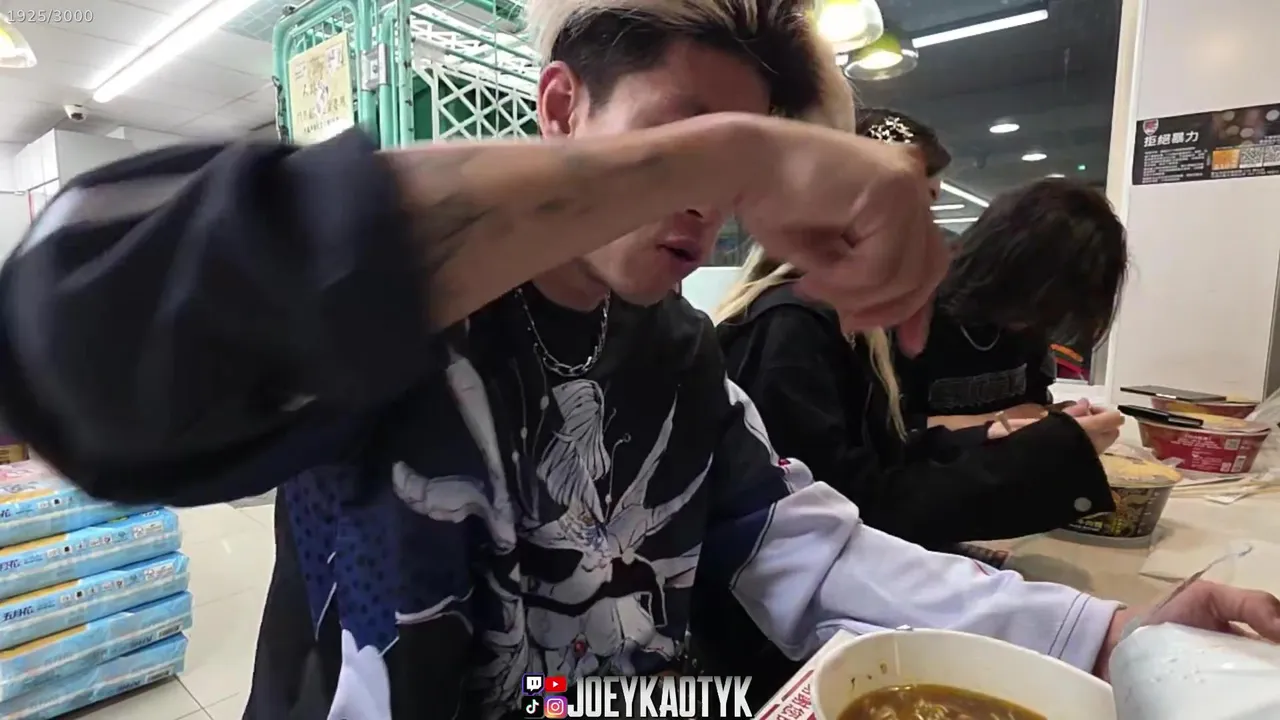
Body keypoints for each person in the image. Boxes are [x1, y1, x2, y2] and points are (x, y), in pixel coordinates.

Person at [0, 3, 1275, 720]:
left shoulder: (681, 358)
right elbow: (79, 339)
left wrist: (1106, 630)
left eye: (738, 166)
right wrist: (734, 153)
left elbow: (811, 551)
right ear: (561, 110)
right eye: (683, 143)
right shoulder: (406, 327)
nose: (708, 208)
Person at [906, 178, 1130, 430]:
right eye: (1036, 303)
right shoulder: (911, 308)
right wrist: (1000, 420)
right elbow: (888, 433)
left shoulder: (1032, 324)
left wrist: (1060, 420)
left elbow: (1031, 405)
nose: (1034, 321)